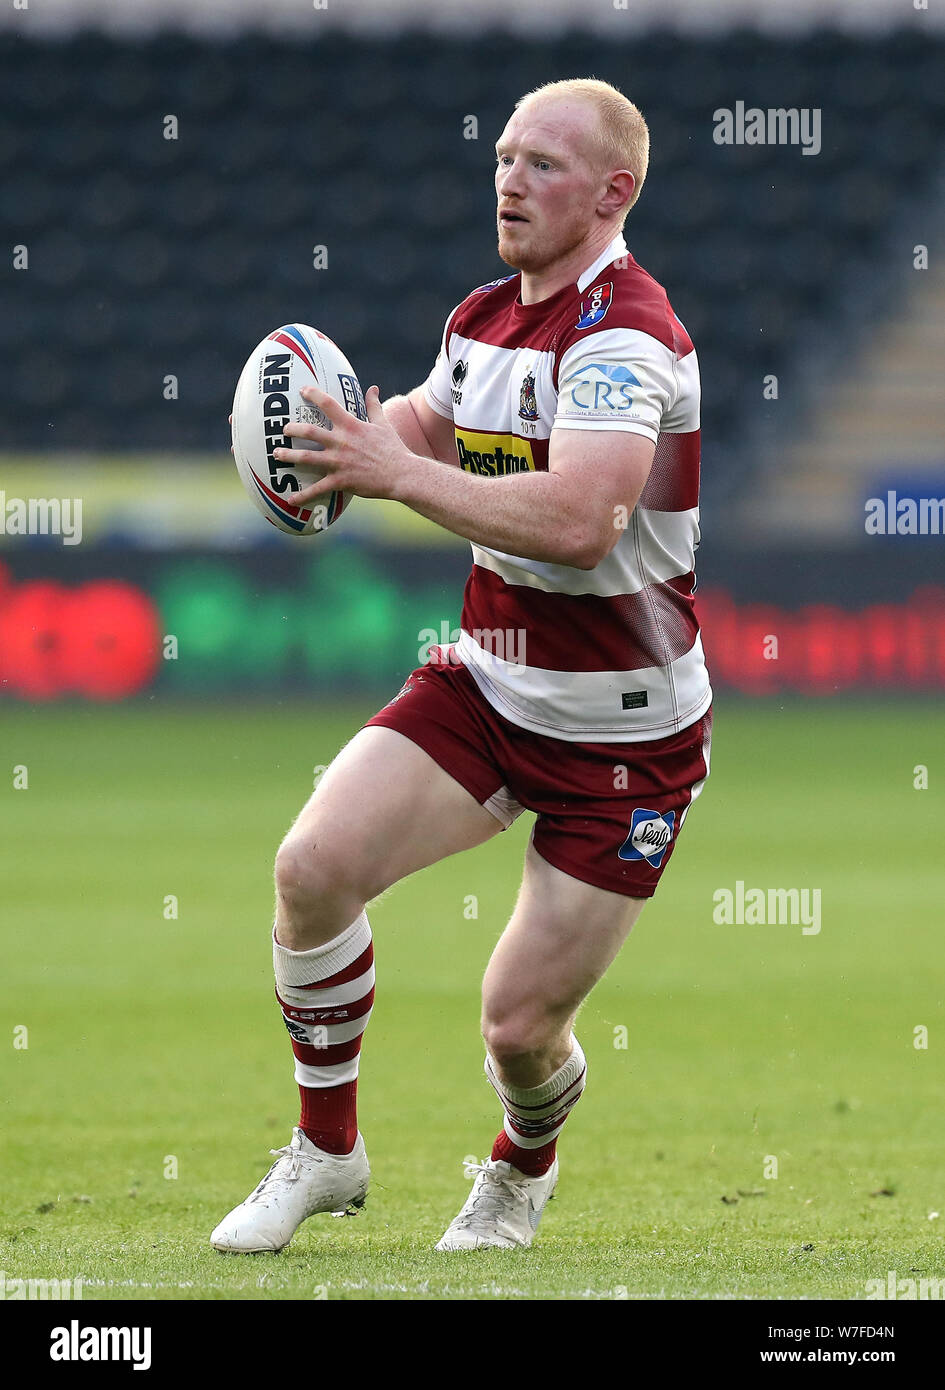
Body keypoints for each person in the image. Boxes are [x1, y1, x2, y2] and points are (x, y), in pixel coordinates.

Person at [211, 76, 711, 1255]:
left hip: (623, 739)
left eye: (543, 163)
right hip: (489, 680)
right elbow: (433, 427)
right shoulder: (484, 313)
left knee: (518, 1032)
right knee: (311, 868)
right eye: (503, 156)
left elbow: (585, 519)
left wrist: (397, 478)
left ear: (611, 191)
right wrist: (352, 441)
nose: (509, 177)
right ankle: (327, 1152)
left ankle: (519, 1168)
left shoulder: (626, 334)